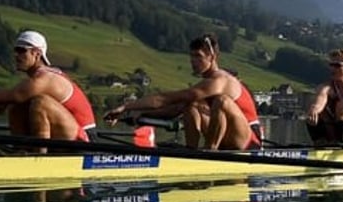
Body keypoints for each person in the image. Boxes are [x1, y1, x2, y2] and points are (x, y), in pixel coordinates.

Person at [103, 33, 261, 150]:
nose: (193, 61)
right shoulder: (205, 85)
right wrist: (139, 115)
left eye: (198, 56)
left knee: (221, 101)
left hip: (249, 142)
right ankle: (191, 152)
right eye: (191, 56)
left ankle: (209, 152)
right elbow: (174, 109)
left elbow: (165, 99)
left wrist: (126, 106)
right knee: (190, 104)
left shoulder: (220, 81)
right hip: (228, 139)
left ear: (212, 57)